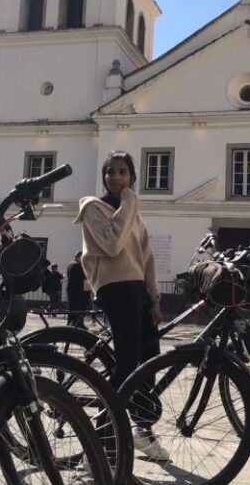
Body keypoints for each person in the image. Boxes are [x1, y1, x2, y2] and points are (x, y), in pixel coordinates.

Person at [74, 150, 169, 461]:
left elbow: (148, 258)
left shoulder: (133, 214)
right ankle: (101, 439)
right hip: (115, 288)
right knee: (127, 364)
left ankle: (143, 431)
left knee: (149, 361)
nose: (115, 177)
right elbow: (113, 244)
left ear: (131, 177)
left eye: (123, 172)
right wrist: (130, 201)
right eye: (110, 171)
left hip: (138, 289)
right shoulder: (92, 207)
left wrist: (154, 299)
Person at [66, 250, 91, 328]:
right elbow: (85, 278)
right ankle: (78, 324)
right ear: (80, 256)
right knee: (80, 308)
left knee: (72, 308)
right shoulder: (79, 265)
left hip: (71, 290)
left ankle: (70, 323)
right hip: (79, 291)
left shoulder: (70, 264)